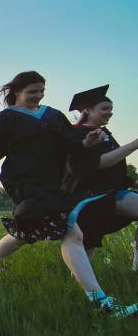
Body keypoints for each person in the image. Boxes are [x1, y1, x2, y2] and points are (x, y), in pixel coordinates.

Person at [0, 71, 137, 318]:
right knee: (71, 230)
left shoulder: (52, 115)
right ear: (17, 92)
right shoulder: (7, 118)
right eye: (32, 92)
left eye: (41, 92)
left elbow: (72, 143)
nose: (38, 96)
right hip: (24, 182)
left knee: (28, 231)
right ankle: (101, 303)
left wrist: (87, 143)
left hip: (54, 184)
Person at [64, 85, 138, 264]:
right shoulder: (77, 134)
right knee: (85, 248)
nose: (110, 113)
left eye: (111, 109)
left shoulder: (105, 134)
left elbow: (114, 168)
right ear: (87, 110)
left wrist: (133, 183)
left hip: (110, 193)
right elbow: (96, 164)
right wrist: (134, 144)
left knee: (86, 251)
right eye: (105, 108)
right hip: (90, 198)